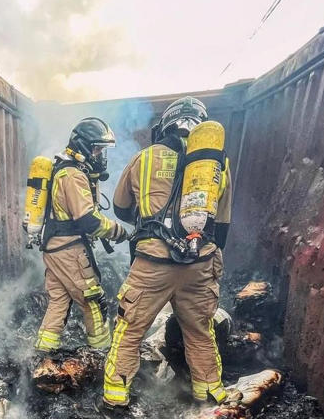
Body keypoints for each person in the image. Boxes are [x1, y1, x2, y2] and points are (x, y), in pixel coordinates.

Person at [99, 97, 235, 414]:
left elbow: (120, 208)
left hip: (153, 264)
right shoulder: (217, 164)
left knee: (129, 331)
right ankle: (209, 397)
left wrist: (151, 221)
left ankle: (115, 398)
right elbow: (223, 225)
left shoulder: (144, 158)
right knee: (201, 333)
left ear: (166, 125)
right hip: (200, 265)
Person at [34, 118, 128, 353]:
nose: (100, 155)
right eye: (97, 149)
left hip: (54, 247)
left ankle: (42, 352)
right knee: (93, 301)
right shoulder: (73, 175)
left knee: (59, 301)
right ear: (84, 146)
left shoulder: (62, 168)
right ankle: (101, 352)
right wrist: (119, 232)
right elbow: (88, 220)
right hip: (69, 249)